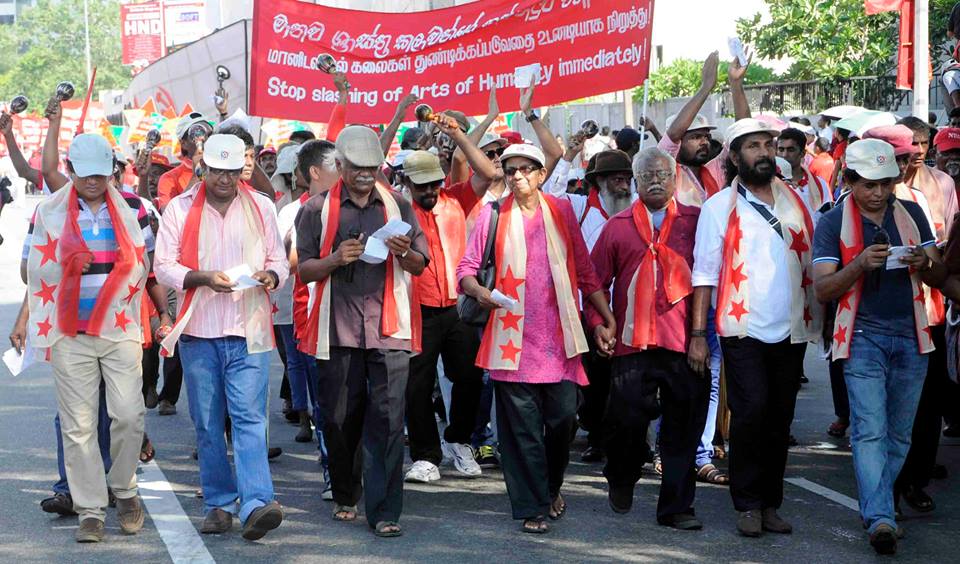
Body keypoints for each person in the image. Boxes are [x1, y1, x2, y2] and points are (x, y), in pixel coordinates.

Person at [457, 143, 616, 535]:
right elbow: (466, 269)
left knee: (563, 421)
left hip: (560, 341)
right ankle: (532, 506)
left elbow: (584, 270)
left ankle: (551, 486)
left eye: (527, 169)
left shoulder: (560, 210)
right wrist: (479, 292)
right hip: (511, 343)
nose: (517, 176)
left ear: (541, 175)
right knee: (522, 433)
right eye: (511, 170)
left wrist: (605, 318)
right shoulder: (492, 214)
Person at [812, 138, 946, 555]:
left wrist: (926, 264)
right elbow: (823, 289)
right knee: (870, 431)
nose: (879, 193)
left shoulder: (912, 214)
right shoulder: (833, 223)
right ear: (850, 181)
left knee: (900, 435)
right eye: (869, 184)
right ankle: (881, 518)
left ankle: (879, 506)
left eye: (886, 183)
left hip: (913, 336)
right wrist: (859, 265)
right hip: (862, 338)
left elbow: (938, 277)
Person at [690, 118, 822, 537]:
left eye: (769, 144)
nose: (765, 152)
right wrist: (697, 335)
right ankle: (746, 504)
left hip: (791, 328)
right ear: (734, 156)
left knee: (780, 419)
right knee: (749, 413)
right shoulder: (718, 208)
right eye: (753, 146)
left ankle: (770, 504)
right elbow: (705, 274)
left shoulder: (797, 202)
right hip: (742, 328)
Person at [154, 134, 288, 541]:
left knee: (250, 418)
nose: (226, 179)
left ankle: (256, 503)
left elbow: (278, 260)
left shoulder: (262, 206)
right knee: (209, 423)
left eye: (233, 171)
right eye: (218, 171)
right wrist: (203, 279)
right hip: (199, 331)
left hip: (248, 329)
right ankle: (218, 502)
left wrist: (271, 277)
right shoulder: (178, 209)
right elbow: (163, 266)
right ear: (203, 168)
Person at [296, 125, 428, 538]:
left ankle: (386, 511)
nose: (366, 175)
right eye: (357, 168)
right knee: (339, 418)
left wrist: (406, 255)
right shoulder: (315, 209)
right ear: (341, 166)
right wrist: (335, 258)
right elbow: (302, 270)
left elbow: (422, 263)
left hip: (390, 330)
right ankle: (345, 491)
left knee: (389, 420)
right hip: (337, 329)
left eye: (372, 167)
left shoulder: (399, 207)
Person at [22, 134, 152, 542]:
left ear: (111, 170)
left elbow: (150, 267)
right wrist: (63, 269)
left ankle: (126, 489)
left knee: (129, 415)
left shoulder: (135, 209)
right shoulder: (49, 212)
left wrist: (163, 314)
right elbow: (30, 270)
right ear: (72, 170)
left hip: (119, 330)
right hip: (69, 332)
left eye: (101, 173)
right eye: (85, 174)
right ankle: (90, 510)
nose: (93, 181)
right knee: (78, 426)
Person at [588, 147, 708, 529]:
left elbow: (709, 280)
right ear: (635, 182)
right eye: (647, 175)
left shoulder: (696, 222)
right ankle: (621, 477)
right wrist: (599, 324)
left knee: (682, 429)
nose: (655, 180)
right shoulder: (617, 226)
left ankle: (677, 508)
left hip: (683, 342)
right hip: (630, 344)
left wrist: (701, 336)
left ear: (676, 180)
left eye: (663, 174)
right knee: (625, 422)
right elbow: (593, 283)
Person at [401, 149, 485, 483]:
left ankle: (458, 441)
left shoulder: (456, 200)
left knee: (470, 378)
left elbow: (488, 173)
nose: (430, 192)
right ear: (407, 183)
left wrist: (457, 135)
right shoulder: (396, 208)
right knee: (416, 386)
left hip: (456, 307)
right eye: (422, 186)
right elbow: (373, 168)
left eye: (434, 183)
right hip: (415, 309)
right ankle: (425, 457)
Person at [660, 51, 751, 208]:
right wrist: (706, 87)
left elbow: (743, 132)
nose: (704, 142)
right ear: (678, 143)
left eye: (707, 136)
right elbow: (674, 134)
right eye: (696, 137)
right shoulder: (665, 169)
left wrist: (736, 84)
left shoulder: (715, 170)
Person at [157, 113, 212, 211]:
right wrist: (197, 175)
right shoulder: (169, 178)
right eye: (197, 135)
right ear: (184, 143)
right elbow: (168, 214)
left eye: (209, 134)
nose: (205, 139)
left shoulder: (223, 170)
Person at [777, 128, 832, 221]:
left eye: (791, 150)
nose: (784, 155)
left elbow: (828, 221)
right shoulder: (769, 184)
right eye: (781, 149)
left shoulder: (820, 185)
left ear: (802, 153)